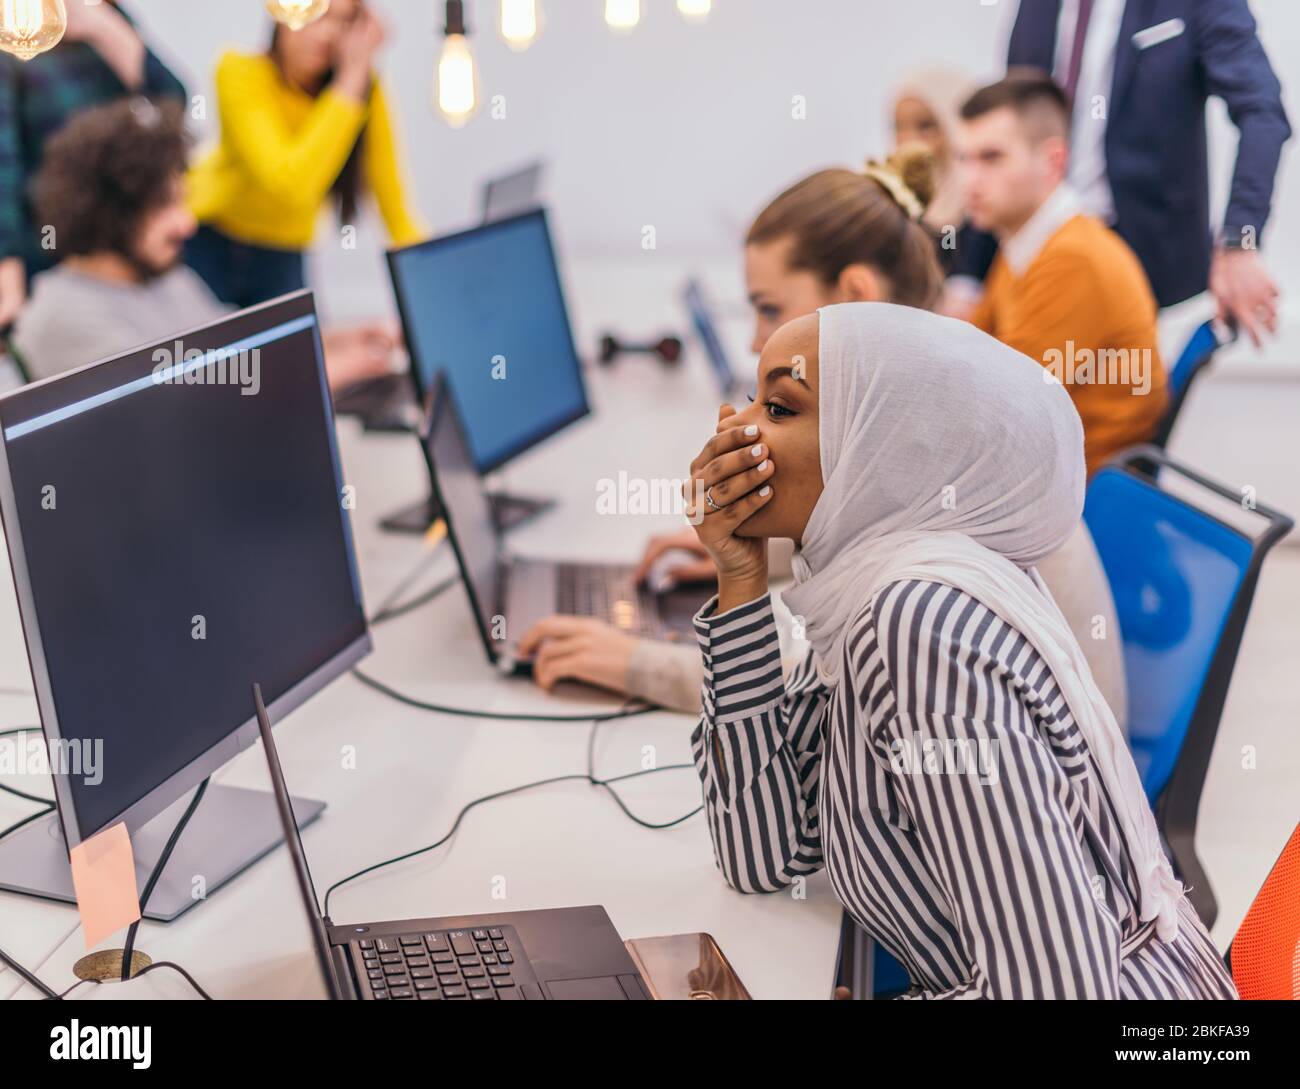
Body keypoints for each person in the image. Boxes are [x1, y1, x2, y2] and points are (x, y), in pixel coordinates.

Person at [686, 301, 1236, 999]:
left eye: (780, 408)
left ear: (879, 451)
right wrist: (739, 576)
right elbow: (760, 852)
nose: (739, 431)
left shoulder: (916, 626)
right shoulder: (862, 585)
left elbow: (1055, 991)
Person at [519, 152, 1129, 733]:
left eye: (769, 308)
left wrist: (631, 663)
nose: (759, 338)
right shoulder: (921, 419)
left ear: (853, 297)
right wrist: (755, 556)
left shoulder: (941, 453)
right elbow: (868, 523)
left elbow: (811, 670)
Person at [12, 98, 393, 393]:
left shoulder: (168, 279)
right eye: (165, 206)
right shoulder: (66, 316)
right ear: (112, 210)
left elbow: (244, 347)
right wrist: (348, 365)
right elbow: (198, 401)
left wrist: (344, 339)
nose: (187, 222)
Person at [1005, 0, 1290, 344]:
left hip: (1147, 268)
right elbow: (1011, 119)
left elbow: (1263, 113)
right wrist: (969, 276)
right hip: (1035, 254)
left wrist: (1238, 243)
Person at [959, 72, 1167, 477]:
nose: (970, 181)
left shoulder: (1072, 258)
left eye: (991, 158)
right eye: (963, 159)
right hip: (1049, 475)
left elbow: (1000, 410)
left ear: (1053, 161)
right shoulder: (1028, 240)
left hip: (1080, 491)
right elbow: (975, 352)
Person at [185, 0, 425, 309]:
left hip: (284, 253)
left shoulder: (362, 92)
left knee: (290, 355)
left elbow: (395, 205)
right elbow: (289, 184)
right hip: (211, 239)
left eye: (342, 22)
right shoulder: (239, 71)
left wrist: (426, 273)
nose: (325, 34)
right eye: (314, 16)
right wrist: (350, 80)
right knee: (199, 354)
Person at [0, 0, 185, 327]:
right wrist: (7, 260)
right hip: (55, 247)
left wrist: (104, 28)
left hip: (131, 243)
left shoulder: (108, 18)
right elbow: (4, 161)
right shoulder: (14, 37)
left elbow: (174, 108)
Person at [890, 68, 998, 316]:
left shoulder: (984, 206)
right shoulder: (893, 207)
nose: (909, 141)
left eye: (926, 127)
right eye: (898, 127)